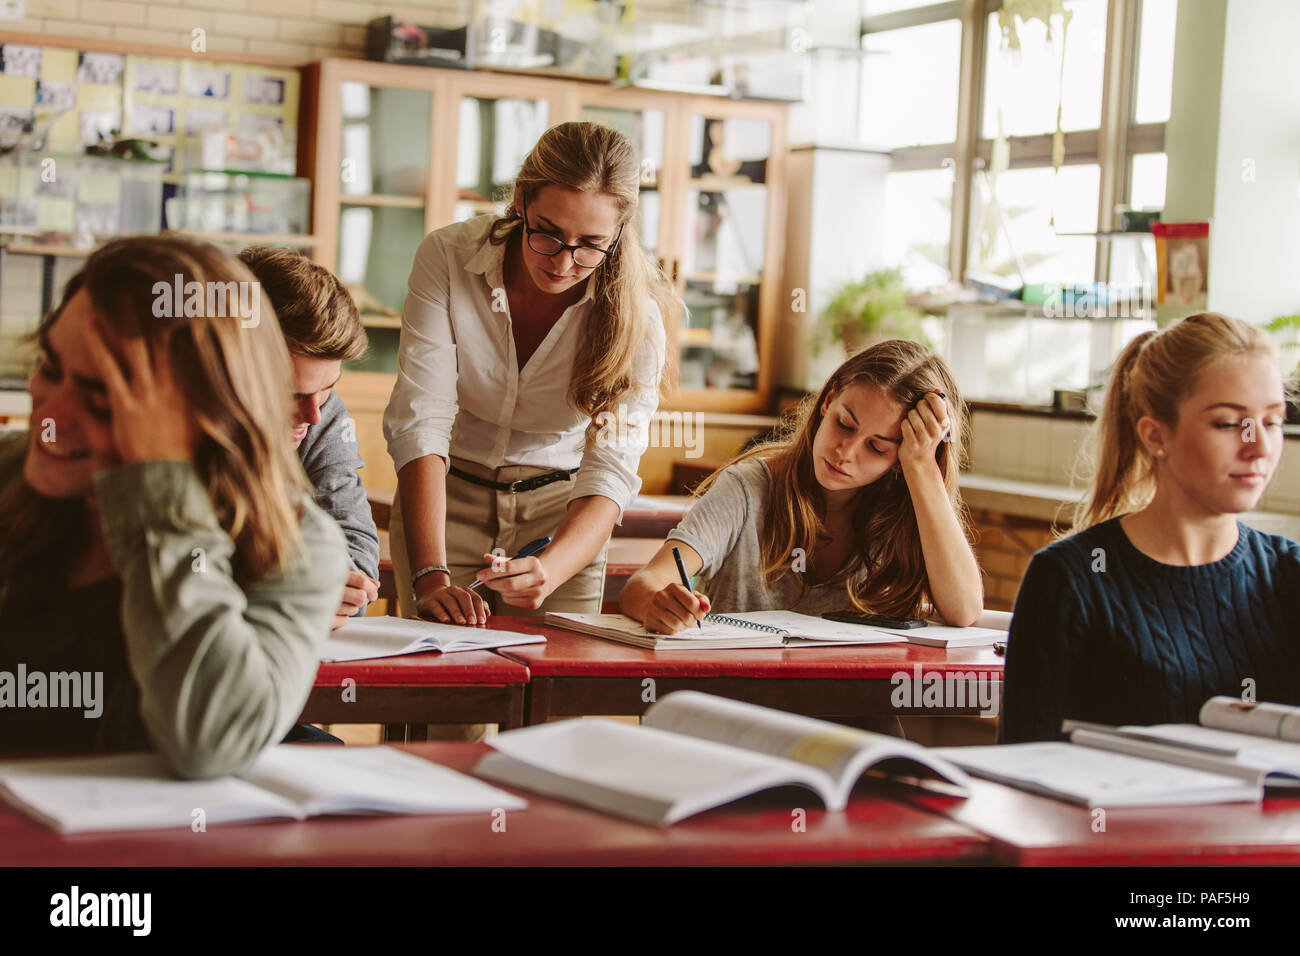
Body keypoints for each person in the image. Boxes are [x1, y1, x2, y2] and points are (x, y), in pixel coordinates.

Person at [0, 237, 349, 774]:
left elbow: (209, 740)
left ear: (210, 410)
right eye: (50, 368)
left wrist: (158, 491)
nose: (53, 414)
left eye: (102, 395)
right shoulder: (8, 474)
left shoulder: (296, 545)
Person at [385, 121, 679, 628]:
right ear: (521, 199)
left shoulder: (639, 315)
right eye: (548, 232)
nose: (564, 263)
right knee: (442, 693)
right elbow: (422, 418)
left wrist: (551, 568)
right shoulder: (447, 258)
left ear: (620, 232)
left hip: (561, 518)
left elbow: (611, 465)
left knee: (557, 691)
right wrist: (431, 573)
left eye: (590, 244)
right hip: (446, 499)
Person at [1001, 312, 1300, 743]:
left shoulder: (1290, 576)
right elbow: (1023, 770)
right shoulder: (1069, 581)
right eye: (1227, 423)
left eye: (1272, 421)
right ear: (1156, 436)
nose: (1259, 448)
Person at [619, 339, 983, 634]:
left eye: (876, 447)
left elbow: (964, 610)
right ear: (827, 401)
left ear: (900, 458)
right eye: (845, 424)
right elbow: (643, 584)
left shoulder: (901, 512)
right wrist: (658, 604)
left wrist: (922, 467)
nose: (846, 452)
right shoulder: (747, 490)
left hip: (853, 705)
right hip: (741, 703)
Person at [238, 246, 380, 628]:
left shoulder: (324, 415)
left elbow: (358, 553)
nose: (312, 416)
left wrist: (323, 589)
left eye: (328, 388)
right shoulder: (168, 424)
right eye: (289, 394)